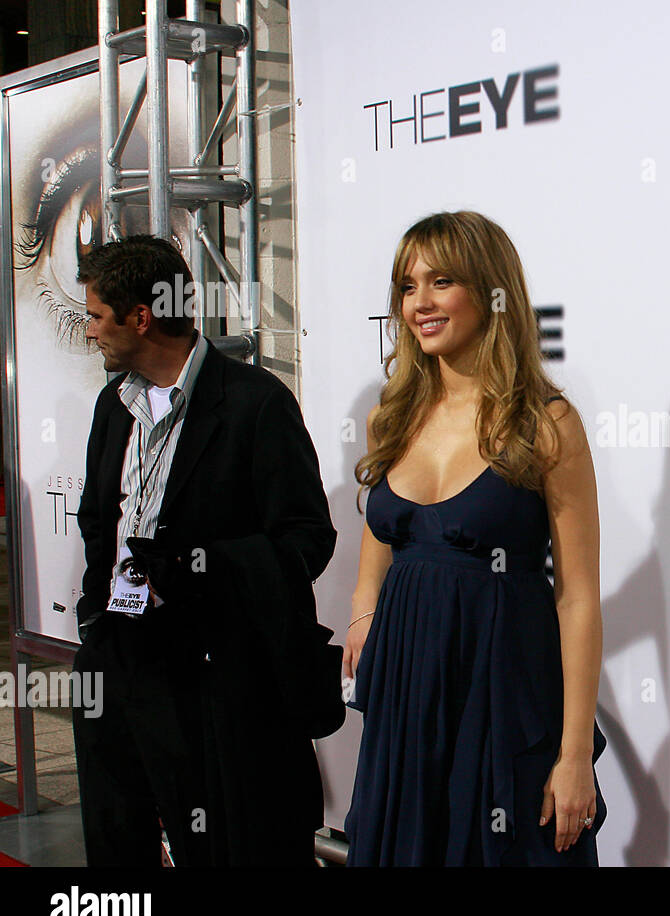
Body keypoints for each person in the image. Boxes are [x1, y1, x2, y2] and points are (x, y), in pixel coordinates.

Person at [343, 211, 608, 866]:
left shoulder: (544, 424)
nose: (419, 304)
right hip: (407, 685)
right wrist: (363, 607)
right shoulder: (392, 413)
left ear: (490, 292)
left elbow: (577, 600)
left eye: (440, 282)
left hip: (501, 686)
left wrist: (574, 755)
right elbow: (388, 527)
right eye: (407, 286)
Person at [73, 235, 337, 866]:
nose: (90, 333)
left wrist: (202, 566)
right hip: (118, 659)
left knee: (222, 848)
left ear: (141, 317)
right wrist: (96, 618)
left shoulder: (254, 403)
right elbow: (96, 522)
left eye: (96, 316)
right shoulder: (115, 405)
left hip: (210, 674)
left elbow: (307, 537)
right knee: (116, 846)